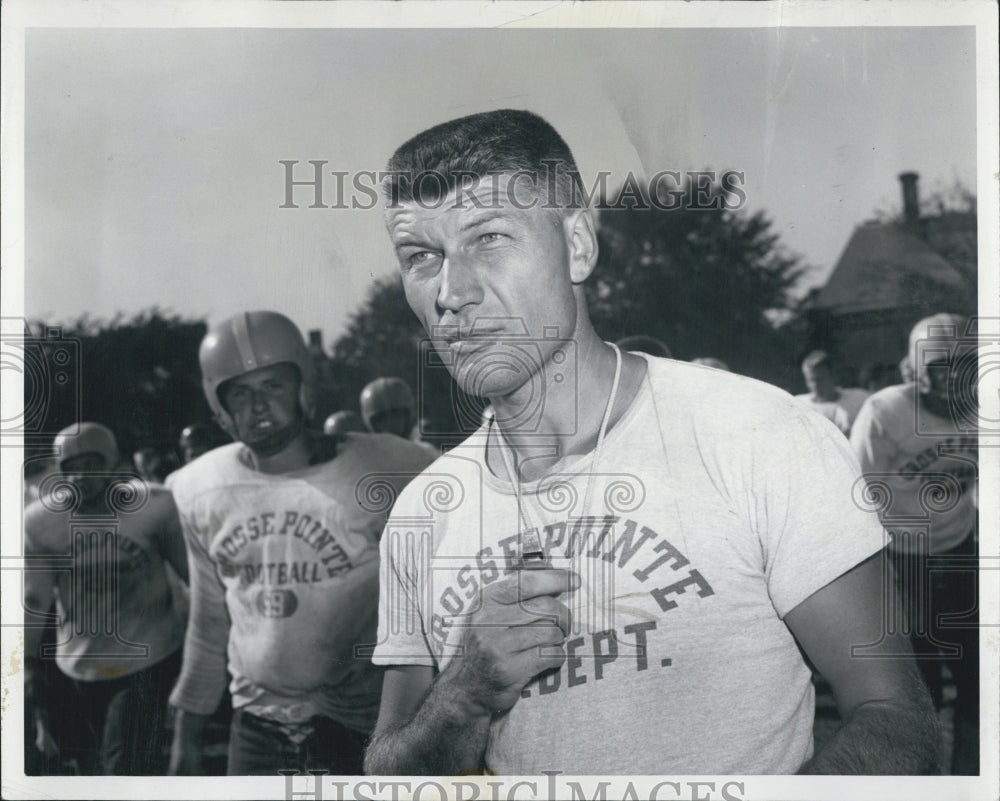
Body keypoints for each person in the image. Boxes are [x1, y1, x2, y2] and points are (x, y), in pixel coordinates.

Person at [363, 109, 938, 776]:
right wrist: (463, 695)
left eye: (489, 238)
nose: (450, 292)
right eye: (420, 258)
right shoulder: (422, 512)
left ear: (577, 243)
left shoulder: (756, 433)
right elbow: (387, 772)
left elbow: (898, 720)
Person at [166, 311, 434, 776]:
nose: (259, 406)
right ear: (219, 405)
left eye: (274, 385)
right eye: (241, 392)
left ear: (304, 386)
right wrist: (186, 740)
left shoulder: (393, 466)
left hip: (362, 723)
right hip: (255, 726)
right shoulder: (201, 486)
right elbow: (210, 621)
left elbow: (438, 605)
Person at [850, 313, 979, 775]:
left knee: (979, 682)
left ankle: (972, 781)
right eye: (938, 365)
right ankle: (922, 784)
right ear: (911, 368)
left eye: (961, 365)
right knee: (920, 692)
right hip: (903, 560)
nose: (949, 377)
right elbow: (858, 494)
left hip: (962, 549)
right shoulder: (884, 412)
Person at [23, 422, 189, 775]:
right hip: (78, 663)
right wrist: (28, 663)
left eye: (93, 463)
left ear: (113, 463)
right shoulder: (42, 521)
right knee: (90, 766)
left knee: (125, 768)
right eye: (71, 467)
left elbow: (191, 578)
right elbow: (36, 598)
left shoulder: (154, 505)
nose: (82, 476)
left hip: (146, 657)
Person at [795, 350, 870, 436]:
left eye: (820, 379)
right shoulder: (799, 405)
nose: (815, 385)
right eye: (811, 380)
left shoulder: (859, 398)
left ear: (833, 376)